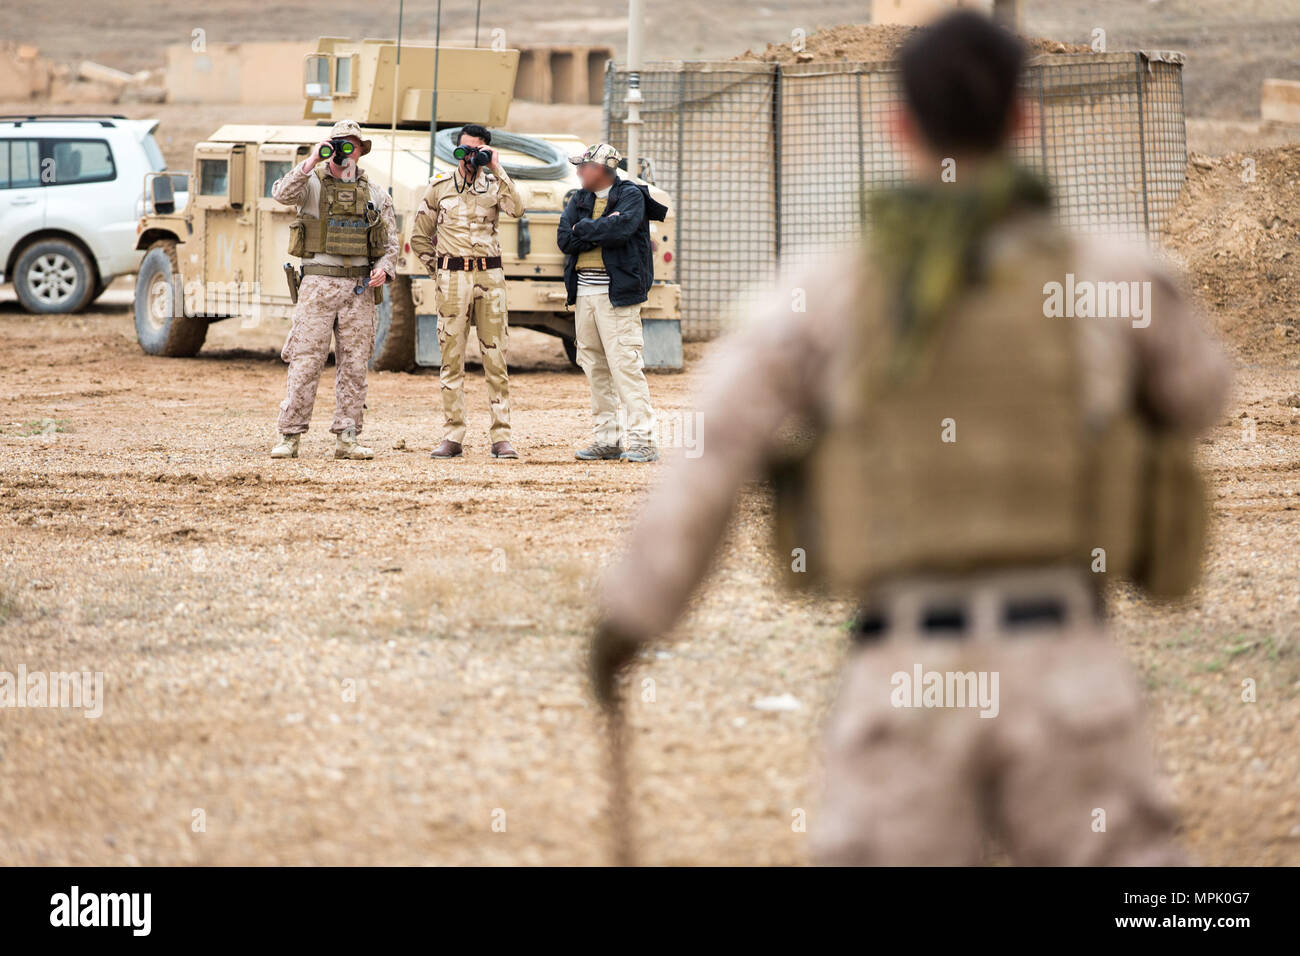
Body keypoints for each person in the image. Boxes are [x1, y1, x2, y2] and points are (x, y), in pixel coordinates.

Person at [589, 11, 1231, 865]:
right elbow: (1203, 396)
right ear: (1023, 121)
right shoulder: (1113, 274)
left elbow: (708, 461)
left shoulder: (826, 291)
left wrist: (629, 620)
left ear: (898, 123)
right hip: (1071, 667)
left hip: (907, 670)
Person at [269, 119, 397, 461]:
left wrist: (384, 268)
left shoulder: (374, 193)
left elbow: (390, 244)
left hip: (358, 289)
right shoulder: (310, 184)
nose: (346, 152)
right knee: (305, 361)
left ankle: (348, 436)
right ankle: (290, 436)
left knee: (355, 365)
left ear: (360, 150)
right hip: (318, 287)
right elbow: (281, 194)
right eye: (340, 144)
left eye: (352, 145)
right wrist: (312, 160)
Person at [409, 123, 522, 460]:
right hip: (453, 280)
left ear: (486, 150)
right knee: (451, 359)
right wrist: (440, 274)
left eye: (477, 150)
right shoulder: (439, 186)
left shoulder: (495, 185)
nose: (469, 157)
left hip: (490, 278)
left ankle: (501, 437)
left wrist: (497, 167)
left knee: (496, 359)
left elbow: (517, 208)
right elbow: (418, 237)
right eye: (464, 149)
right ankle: (452, 434)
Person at [557, 144, 665, 463]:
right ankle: (607, 440)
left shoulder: (631, 194)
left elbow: (622, 229)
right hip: (586, 294)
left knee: (625, 367)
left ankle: (644, 441)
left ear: (602, 169)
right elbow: (565, 238)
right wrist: (600, 229)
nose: (578, 171)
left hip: (616, 295)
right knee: (594, 367)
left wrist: (586, 229)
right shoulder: (580, 198)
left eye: (584, 166)